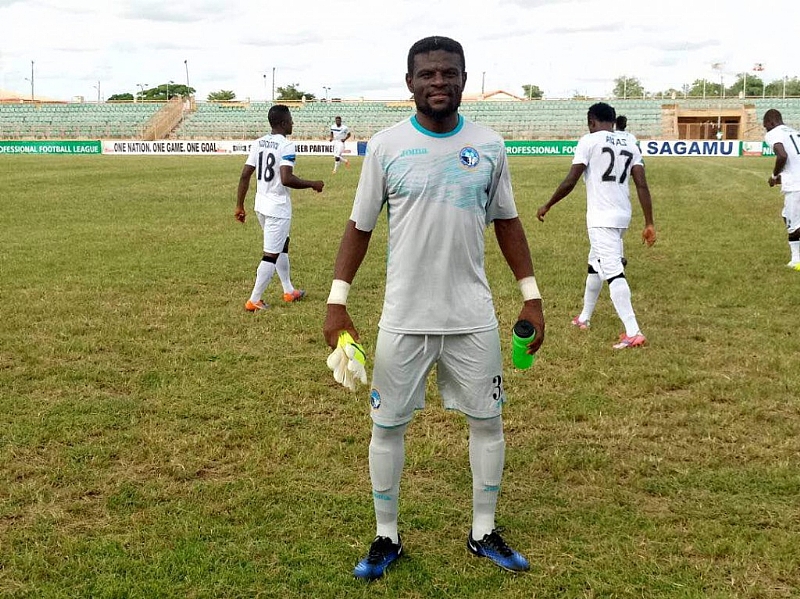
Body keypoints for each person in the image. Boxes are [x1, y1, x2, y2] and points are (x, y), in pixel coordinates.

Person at [323, 35, 545, 581]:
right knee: (386, 428)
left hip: (472, 318)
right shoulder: (386, 146)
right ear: (410, 83)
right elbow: (359, 227)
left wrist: (532, 296)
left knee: (488, 423)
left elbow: (507, 222)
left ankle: (483, 531)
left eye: (449, 73)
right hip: (403, 318)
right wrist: (337, 302)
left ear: (464, 79)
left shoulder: (489, 145)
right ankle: (386, 536)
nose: (438, 82)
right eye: (427, 74)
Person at [537, 102, 656, 349]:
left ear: (591, 121)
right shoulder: (630, 142)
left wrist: (548, 204)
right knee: (594, 265)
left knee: (613, 272)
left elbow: (571, 180)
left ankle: (633, 331)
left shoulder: (589, 141)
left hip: (601, 219)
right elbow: (641, 184)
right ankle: (584, 317)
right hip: (622, 216)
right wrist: (649, 222)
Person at [235, 104, 324, 311]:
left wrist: (239, 205)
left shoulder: (258, 143)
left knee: (282, 244)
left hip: (261, 205)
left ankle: (289, 290)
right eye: (291, 120)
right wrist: (313, 184)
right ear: (283, 123)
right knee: (270, 254)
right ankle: (254, 300)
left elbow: (245, 175)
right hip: (277, 207)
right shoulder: (286, 145)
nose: (293, 123)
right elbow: (286, 178)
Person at [763, 108, 800, 270]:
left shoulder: (774, 133)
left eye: (765, 126)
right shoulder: (795, 132)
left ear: (771, 122)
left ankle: (796, 260)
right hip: (795, 181)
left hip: (795, 187)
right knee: (786, 216)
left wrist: (774, 176)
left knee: (793, 225)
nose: (766, 129)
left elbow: (782, 156)